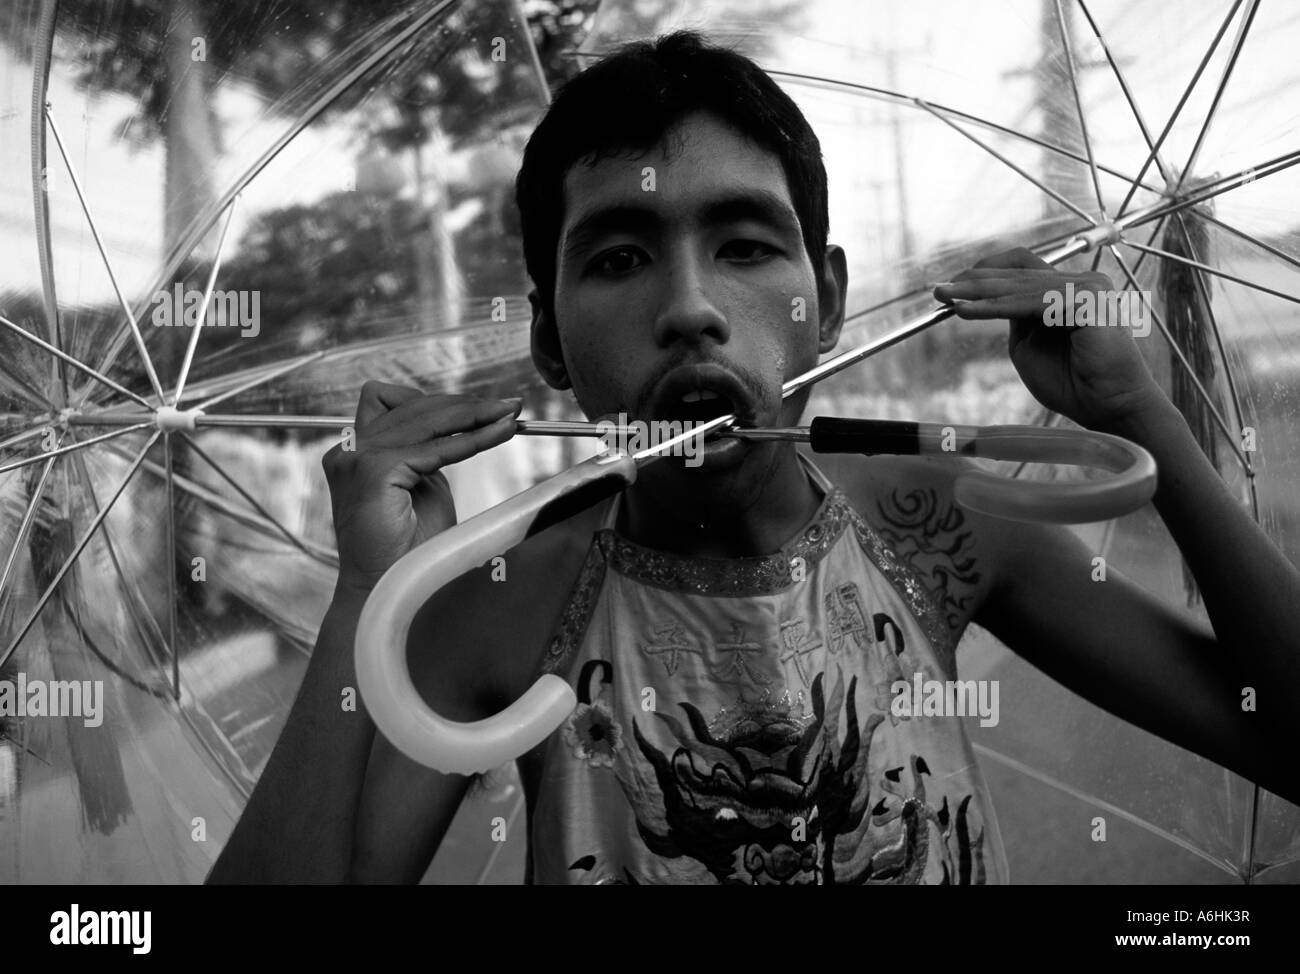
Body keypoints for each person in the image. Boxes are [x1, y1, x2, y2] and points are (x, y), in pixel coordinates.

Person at [208, 30, 1300, 885]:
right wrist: (370, 587)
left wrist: (1135, 406)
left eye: (742, 246)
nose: (689, 309)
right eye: (622, 258)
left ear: (822, 300)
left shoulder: (944, 518)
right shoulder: (500, 597)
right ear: (551, 342)